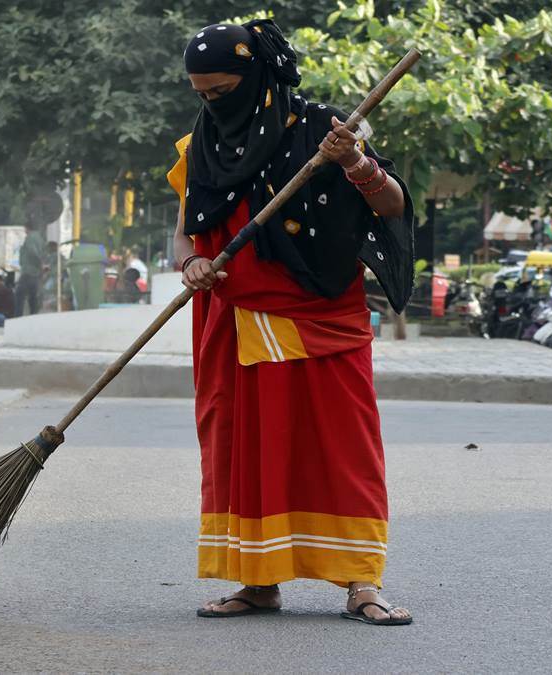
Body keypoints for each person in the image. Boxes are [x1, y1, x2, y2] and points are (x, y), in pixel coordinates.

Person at [169, 20, 414, 625]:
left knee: (342, 446)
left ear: (256, 78)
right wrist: (192, 262)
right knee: (246, 451)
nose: (210, 104)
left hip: (322, 315)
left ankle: (361, 582)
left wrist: (354, 160)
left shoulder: (322, 129)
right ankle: (257, 582)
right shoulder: (199, 145)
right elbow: (183, 232)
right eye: (200, 94)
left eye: (221, 92)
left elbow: (391, 205)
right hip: (234, 318)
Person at [15, 223, 47, 316]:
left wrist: (40, 263)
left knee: (19, 295)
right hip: (35, 272)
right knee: (33, 296)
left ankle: (18, 317)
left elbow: (33, 252)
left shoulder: (31, 237)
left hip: (28, 271)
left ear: (26, 228)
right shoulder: (40, 238)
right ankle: (33, 316)